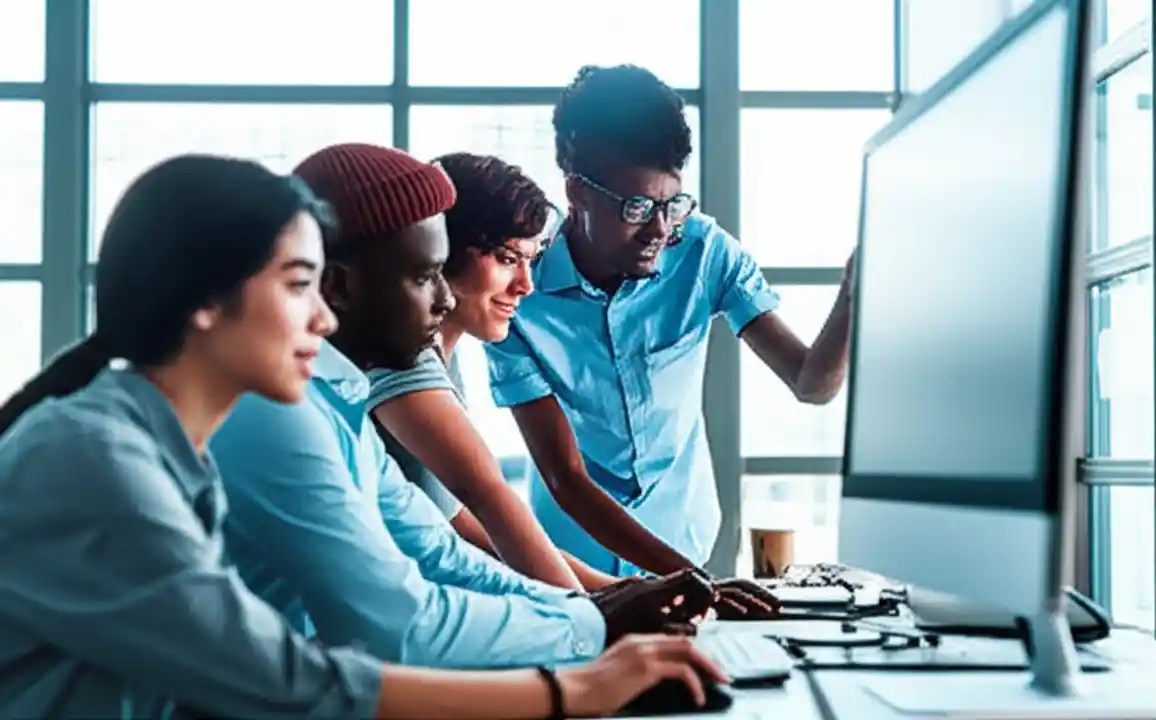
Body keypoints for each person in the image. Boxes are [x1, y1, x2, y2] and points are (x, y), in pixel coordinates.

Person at [0, 154, 724, 719]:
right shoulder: (95, 460)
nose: (322, 318)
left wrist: (586, 620)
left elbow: (432, 556)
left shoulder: (173, 441)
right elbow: (300, 676)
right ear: (205, 302)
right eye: (297, 286)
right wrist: (581, 676)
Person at [209, 142, 714, 671]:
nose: (445, 299)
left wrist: (593, 614)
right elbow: (401, 623)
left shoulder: (341, 404)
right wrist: (591, 636)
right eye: (426, 275)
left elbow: (438, 550)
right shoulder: (284, 414)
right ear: (338, 285)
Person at [361, 151, 778, 618]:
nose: (526, 285)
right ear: (443, 250)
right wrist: (596, 615)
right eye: (505, 259)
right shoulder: (404, 364)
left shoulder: (442, 363)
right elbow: (487, 506)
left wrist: (622, 592)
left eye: (530, 260)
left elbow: (461, 524)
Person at [485, 64, 857, 579]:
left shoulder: (704, 252)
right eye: (636, 208)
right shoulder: (518, 287)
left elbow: (811, 384)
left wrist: (852, 295)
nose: (659, 230)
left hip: (683, 539)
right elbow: (563, 476)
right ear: (578, 192)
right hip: (570, 560)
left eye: (671, 204)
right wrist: (695, 583)